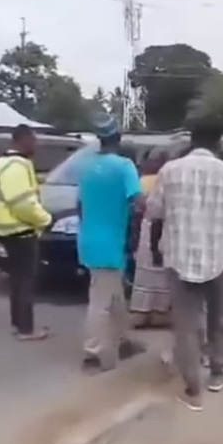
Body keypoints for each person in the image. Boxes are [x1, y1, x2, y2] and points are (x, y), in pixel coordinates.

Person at [147, 119, 223, 411]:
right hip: (218, 257)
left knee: (185, 325)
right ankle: (217, 373)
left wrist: (157, 247)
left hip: (179, 257)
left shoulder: (169, 170)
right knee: (218, 317)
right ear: (218, 143)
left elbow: (155, 211)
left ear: (192, 140)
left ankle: (192, 390)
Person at [76, 117, 145, 372]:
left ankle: (124, 341)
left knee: (114, 295)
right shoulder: (124, 166)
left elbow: (80, 206)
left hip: (88, 239)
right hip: (110, 242)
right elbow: (138, 200)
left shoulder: (86, 166)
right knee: (100, 301)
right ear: (118, 139)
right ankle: (92, 354)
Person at [0, 125, 52, 340]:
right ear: (22, 140)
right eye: (33, 140)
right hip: (20, 230)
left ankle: (18, 324)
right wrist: (46, 219)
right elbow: (23, 204)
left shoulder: (0, 163)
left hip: (4, 229)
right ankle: (26, 329)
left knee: (16, 281)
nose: (36, 145)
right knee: (25, 281)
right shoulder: (17, 165)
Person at [129, 153, 171, 328]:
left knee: (145, 273)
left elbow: (137, 209)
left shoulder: (142, 181)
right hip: (165, 230)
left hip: (146, 229)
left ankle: (141, 311)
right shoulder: (169, 179)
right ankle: (159, 312)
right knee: (162, 275)